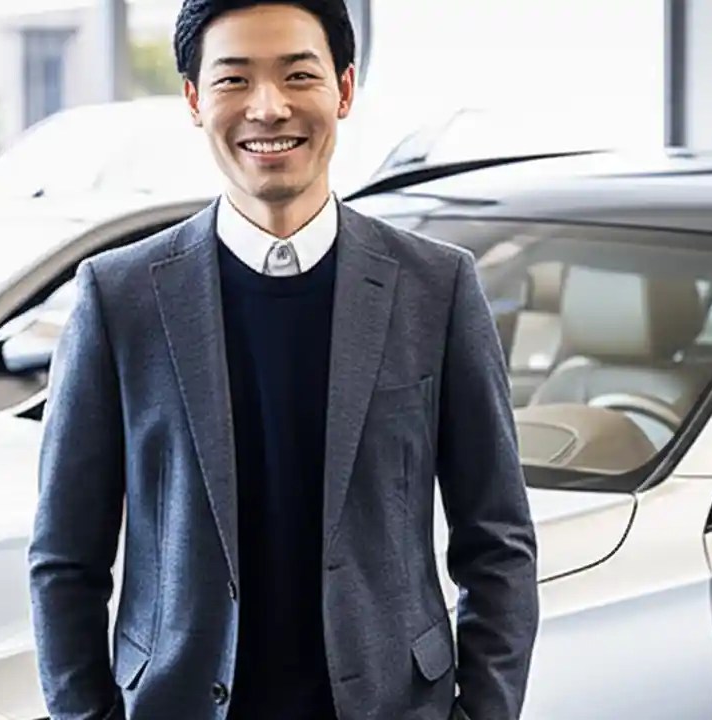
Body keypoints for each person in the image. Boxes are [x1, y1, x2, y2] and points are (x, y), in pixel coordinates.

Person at [26, 1, 539, 719]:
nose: (269, 109)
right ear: (195, 101)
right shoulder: (119, 298)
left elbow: (498, 544)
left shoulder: (436, 288)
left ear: (345, 89)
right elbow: (64, 560)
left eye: (299, 75)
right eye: (234, 81)